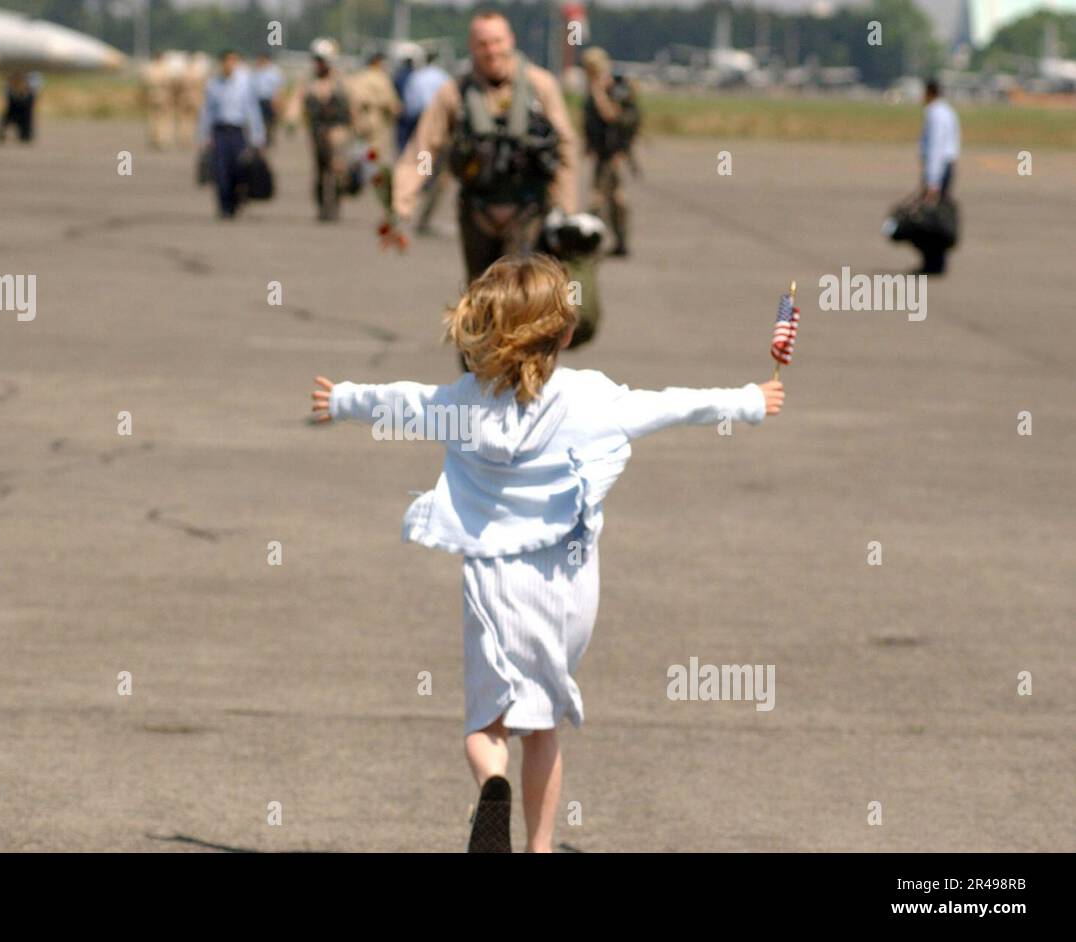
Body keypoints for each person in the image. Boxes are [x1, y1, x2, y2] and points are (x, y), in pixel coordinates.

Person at [308, 254, 786, 852]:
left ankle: (493, 784)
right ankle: (539, 848)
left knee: (486, 726)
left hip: (492, 581)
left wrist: (346, 398)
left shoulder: (462, 404)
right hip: (566, 583)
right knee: (543, 725)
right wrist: (749, 399)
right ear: (565, 331)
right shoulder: (591, 399)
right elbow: (673, 404)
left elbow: (402, 403)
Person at [391, 11, 579, 286]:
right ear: (471, 46)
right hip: (477, 213)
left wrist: (567, 209)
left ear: (510, 40)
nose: (491, 51)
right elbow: (424, 149)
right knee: (480, 296)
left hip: (528, 212)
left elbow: (565, 148)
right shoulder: (454, 93)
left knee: (519, 299)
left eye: (497, 41)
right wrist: (403, 201)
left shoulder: (541, 86)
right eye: (483, 43)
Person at [285, 39, 354, 222]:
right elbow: (296, 101)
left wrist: (359, 126)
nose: (319, 64)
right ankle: (323, 205)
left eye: (322, 60)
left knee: (337, 168)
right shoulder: (308, 82)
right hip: (317, 130)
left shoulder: (341, 80)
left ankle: (336, 202)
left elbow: (354, 104)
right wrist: (291, 120)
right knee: (321, 170)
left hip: (338, 130)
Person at [581, 47, 641, 257]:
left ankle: (607, 240)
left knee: (608, 198)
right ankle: (595, 241)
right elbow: (590, 122)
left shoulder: (616, 89)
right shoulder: (592, 90)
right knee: (605, 197)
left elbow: (612, 117)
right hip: (602, 152)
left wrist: (598, 92)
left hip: (614, 153)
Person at [197, 50, 265, 219]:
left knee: (238, 169)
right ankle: (224, 206)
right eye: (227, 62)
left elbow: (252, 110)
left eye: (233, 62)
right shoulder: (213, 85)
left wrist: (258, 136)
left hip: (237, 132)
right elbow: (207, 112)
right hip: (220, 132)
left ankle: (236, 200)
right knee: (221, 171)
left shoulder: (244, 84)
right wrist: (203, 136)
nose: (229, 65)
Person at [400, 48, 452, 235]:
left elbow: (410, 103)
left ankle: (413, 199)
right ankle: (424, 212)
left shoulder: (417, 76)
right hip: (438, 125)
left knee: (422, 164)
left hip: (419, 122)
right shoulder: (442, 77)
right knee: (437, 173)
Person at [917, 78, 960, 275]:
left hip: (938, 170)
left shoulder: (935, 114)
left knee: (931, 218)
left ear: (930, 93)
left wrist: (932, 181)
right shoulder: (948, 112)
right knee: (938, 216)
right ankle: (937, 261)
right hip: (947, 167)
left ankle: (932, 262)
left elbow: (935, 147)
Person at [347, 51, 401, 161]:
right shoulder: (381, 77)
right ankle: (371, 173)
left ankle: (361, 171)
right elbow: (389, 102)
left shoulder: (359, 76)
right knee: (374, 152)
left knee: (360, 149)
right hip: (376, 120)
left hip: (360, 120)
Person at [252, 52, 284, 148]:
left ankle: (268, 138)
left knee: (270, 121)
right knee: (259, 121)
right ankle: (260, 139)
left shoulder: (274, 71)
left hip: (270, 101)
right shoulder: (256, 72)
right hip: (258, 101)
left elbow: (278, 88)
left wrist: (278, 102)